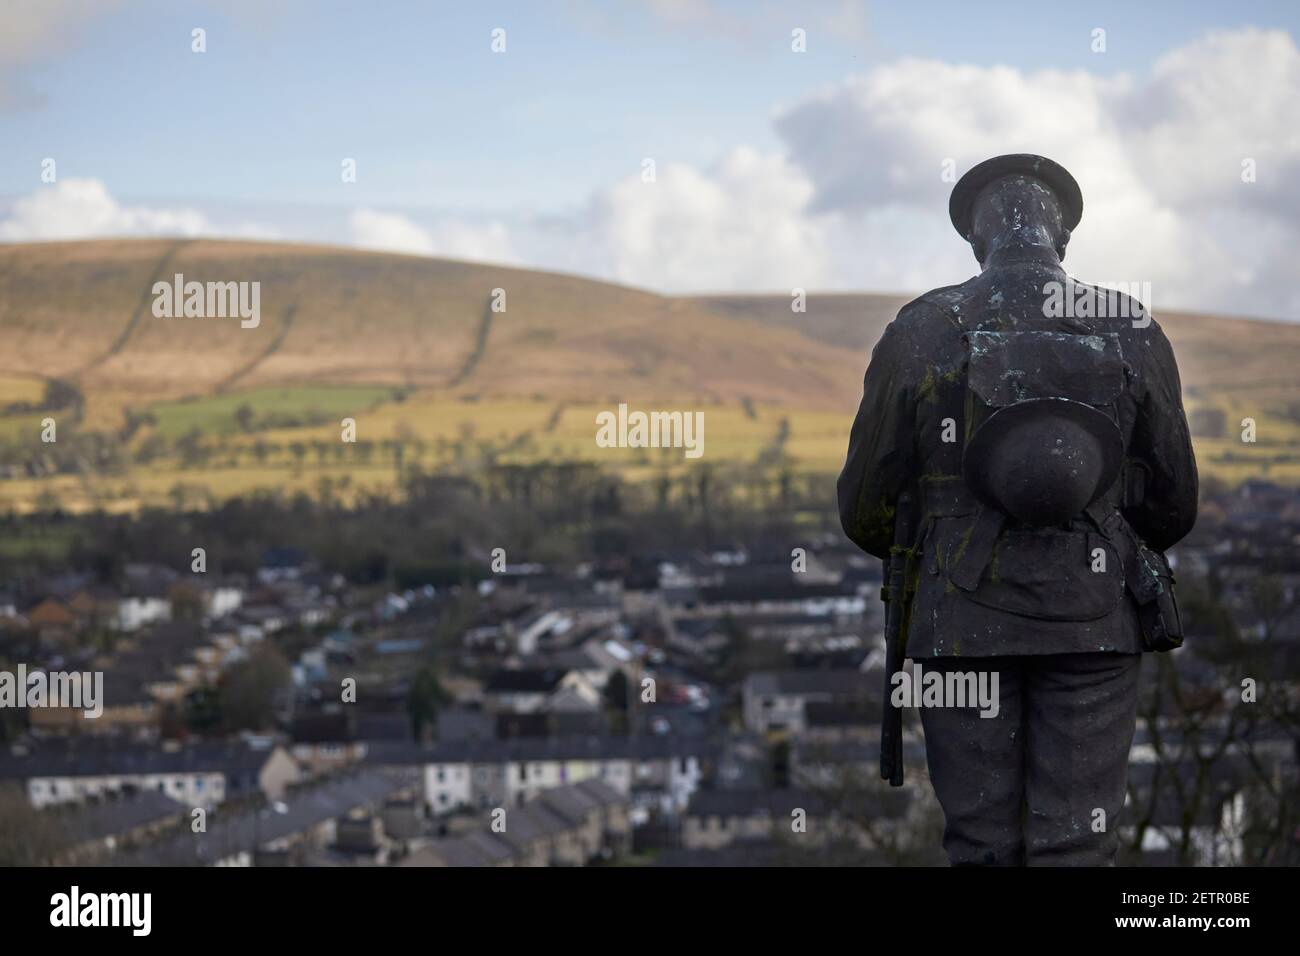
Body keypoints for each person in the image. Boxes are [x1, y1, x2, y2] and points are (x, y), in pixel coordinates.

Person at [838, 154, 1198, 865]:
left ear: (976, 240)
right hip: (1093, 618)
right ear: (1061, 237)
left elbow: (865, 508)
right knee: (1079, 841)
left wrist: (939, 543)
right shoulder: (1128, 327)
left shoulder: (921, 329)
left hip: (959, 621)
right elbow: (1174, 504)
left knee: (980, 842)